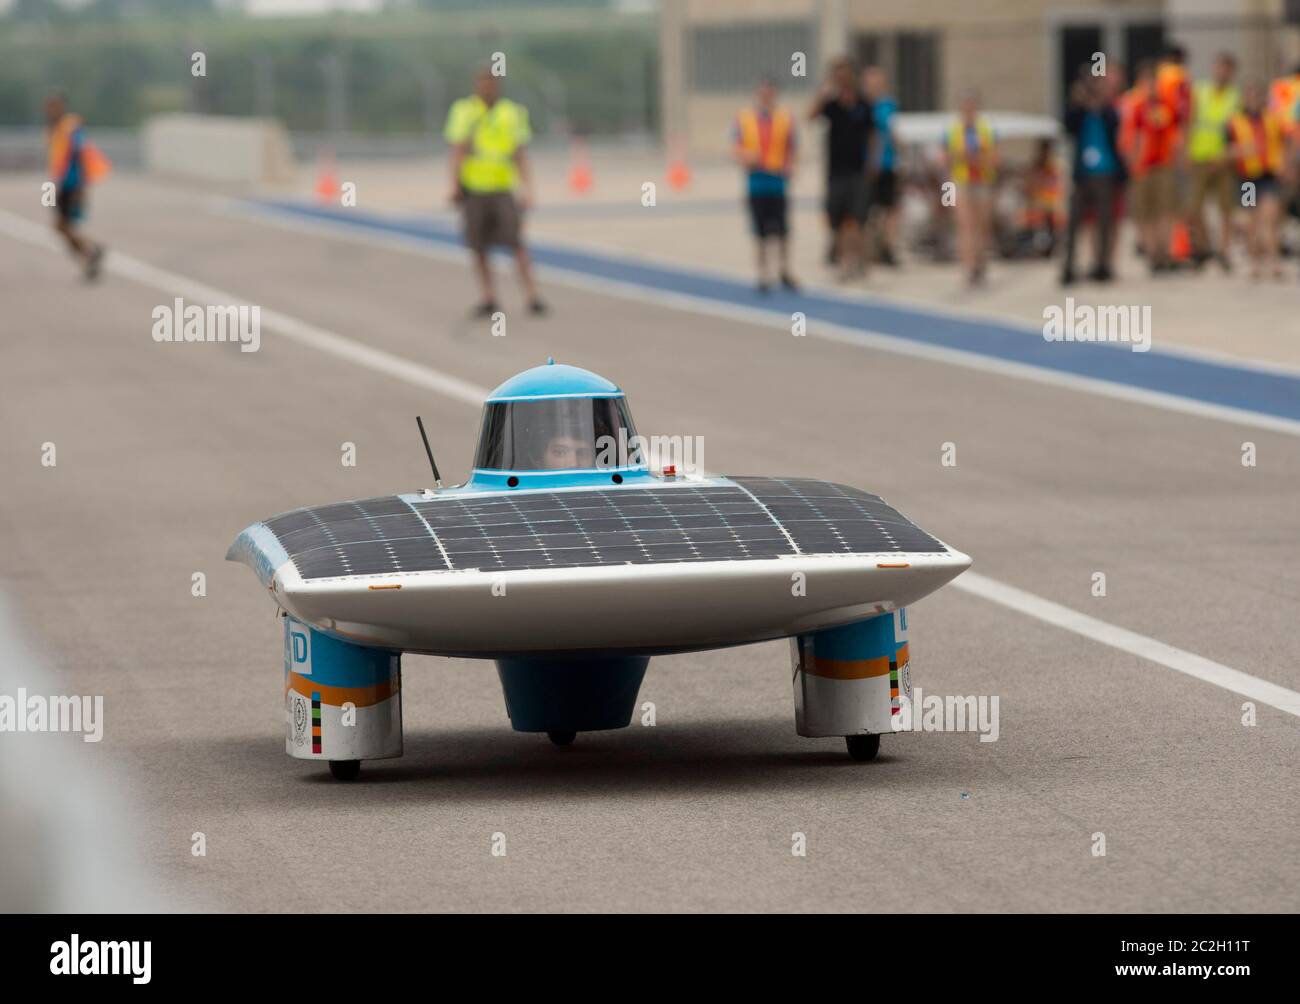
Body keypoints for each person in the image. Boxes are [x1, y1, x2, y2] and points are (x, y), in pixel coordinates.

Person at [444, 68, 544, 317]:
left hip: (502, 187)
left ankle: (532, 296)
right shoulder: (465, 111)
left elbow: (520, 153)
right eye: (482, 83)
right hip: (475, 188)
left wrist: (527, 189)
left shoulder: (512, 113)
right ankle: (489, 297)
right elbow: (457, 150)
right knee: (478, 245)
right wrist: (454, 185)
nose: (486, 87)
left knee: (516, 242)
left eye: (491, 83)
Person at [809, 57, 874, 281]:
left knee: (857, 218)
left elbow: (872, 134)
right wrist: (823, 92)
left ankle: (857, 261)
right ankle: (842, 259)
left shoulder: (863, 103)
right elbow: (811, 117)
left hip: (857, 170)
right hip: (836, 171)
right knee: (837, 219)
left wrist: (871, 162)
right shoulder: (832, 104)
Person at [732, 76, 799, 293]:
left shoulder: (785, 118)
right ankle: (763, 274)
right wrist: (744, 157)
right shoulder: (745, 119)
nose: (766, 96)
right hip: (756, 182)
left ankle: (783, 269)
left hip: (778, 182)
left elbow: (793, 147)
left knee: (783, 231)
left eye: (770, 92)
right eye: (763, 93)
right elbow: (736, 147)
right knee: (759, 232)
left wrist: (792, 167)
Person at [1061, 74, 1124, 284]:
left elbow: (1116, 125)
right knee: (1075, 221)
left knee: (1105, 221)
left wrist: (1102, 104)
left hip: (1105, 172)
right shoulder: (1079, 112)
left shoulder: (1108, 111)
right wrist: (1080, 101)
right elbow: (1068, 125)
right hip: (1083, 174)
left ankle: (1103, 264)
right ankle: (1069, 265)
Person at [1226, 82, 1288, 280]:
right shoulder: (1235, 123)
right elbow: (1226, 151)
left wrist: (1284, 165)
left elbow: (1283, 145)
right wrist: (1240, 151)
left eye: (1257, 96)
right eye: (1250, 96)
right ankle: (1254, 262)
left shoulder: (1273, 120)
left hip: (1268, 176)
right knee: (1250, 223)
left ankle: (1274, 261)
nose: (1254, 101)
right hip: (1248, 180)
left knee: (1269, 219)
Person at [44, 91, 109, 281]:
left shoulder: (71, 127)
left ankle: (92, 251)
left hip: (73, 184)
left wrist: (82, 186)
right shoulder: (55, 129)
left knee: (63, 225)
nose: (50, 110)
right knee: (61, 227)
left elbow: (82, 154)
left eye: (53, 105)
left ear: (62, 106)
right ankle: (90, 255)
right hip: (62, 184)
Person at [1185, 53, 1240, 270]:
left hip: (1225, 161)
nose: (1222, 73)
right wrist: (1186, 151)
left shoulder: (1236, 97)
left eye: (1226, 69)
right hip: (1200, 157)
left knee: (1226, 208)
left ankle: (1224, 252)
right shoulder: (1200, 91)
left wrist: (1228, 155)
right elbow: (1190, 122)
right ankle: (1204, 247)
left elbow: (1238, 131)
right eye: (1219, 68)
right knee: (1194, 208)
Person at [1125, 61, 1180, 273]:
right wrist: (1133, 162)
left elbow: (1174, 134)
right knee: (1145, 212)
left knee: (1164, 210)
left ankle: (1163, 252)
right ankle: (1152, 254)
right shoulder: (1135, 105)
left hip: (1163, 164)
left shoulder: (1165, 105)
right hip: (1142, 166)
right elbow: (1133, 137)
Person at [944, 90, 998, 285]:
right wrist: (963, 156)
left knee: (982, 226)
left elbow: (993, 158)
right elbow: (946, 158)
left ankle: (981, 262)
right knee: (965, 226)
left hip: (982, 180)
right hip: (962, 180)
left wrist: (978, 158)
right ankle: (970, 266)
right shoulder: (953, 130)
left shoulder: (986, 129)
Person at [862, 65, 901, 266]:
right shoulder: (862, 105)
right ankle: (868, 251)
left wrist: (899, 159)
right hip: (867, 165)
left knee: (891, 208)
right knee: (868, 210)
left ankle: (888, 247)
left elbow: (894, 133)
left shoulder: (889, 105)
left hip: (888, 163)